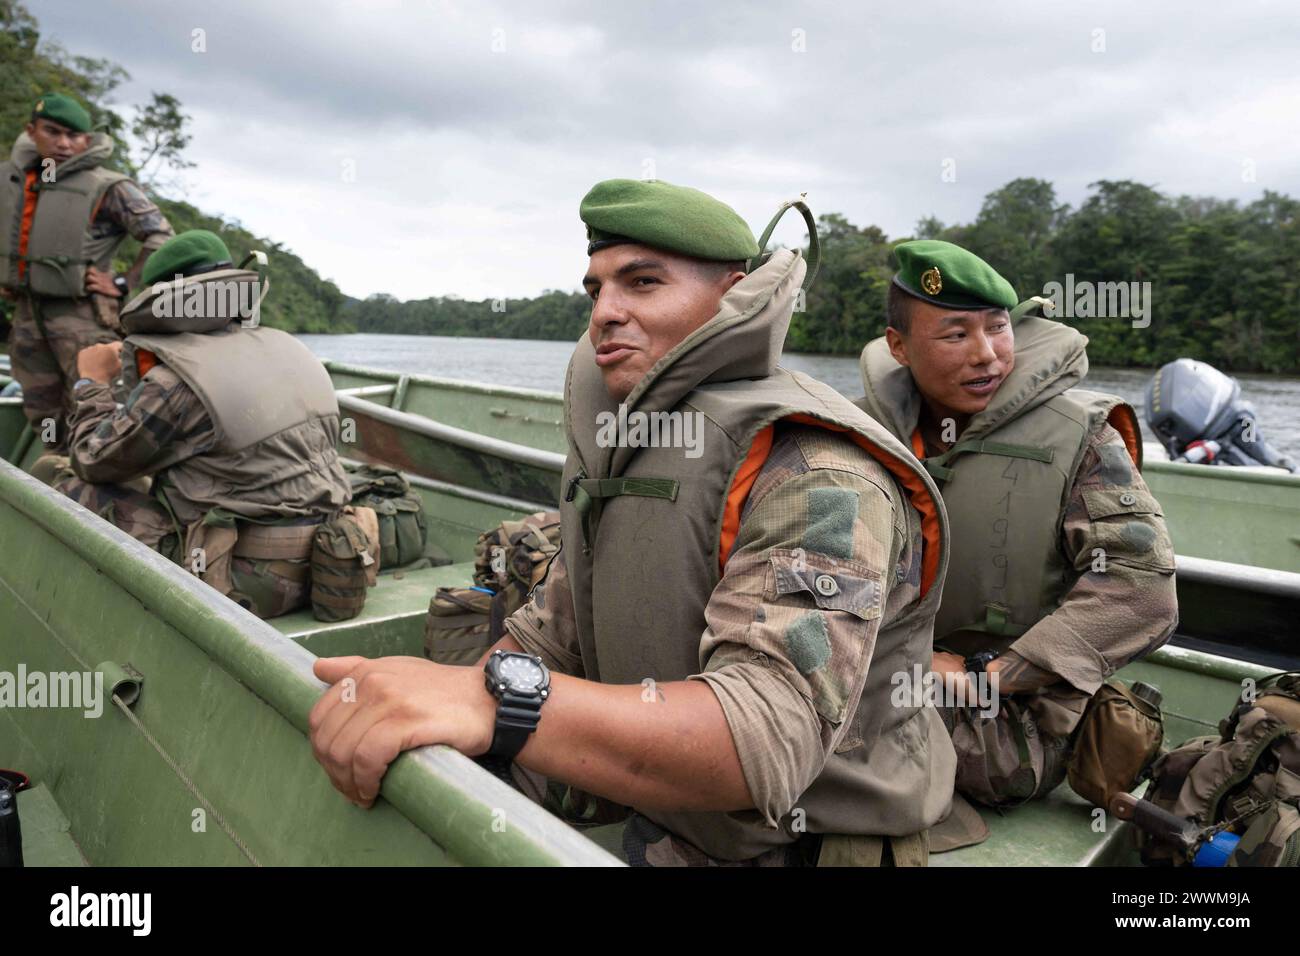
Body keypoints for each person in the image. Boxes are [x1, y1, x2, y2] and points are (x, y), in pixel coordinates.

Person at [309, 179, 957, 866]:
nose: (605, 314)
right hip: (669, 814)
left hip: (800, 843)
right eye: (596, 291)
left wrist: (498, 703)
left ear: (734, 296)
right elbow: (552, 632)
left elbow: (763, 741)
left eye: (642, 283)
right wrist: (448, 700)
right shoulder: (637, 442)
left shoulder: (819, 471)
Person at [855, 239, 1179, 809]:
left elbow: (1142, 591)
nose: (986, 355)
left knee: (802, 721)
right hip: (878, 669)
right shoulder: (853, 429)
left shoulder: (1079, 437)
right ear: (899, 347)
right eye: (956, 335)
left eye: (998, 328)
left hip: (1010, 724)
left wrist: (991, 674)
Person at [55, 229, 351, 619]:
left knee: (69, 488)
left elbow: (93, 459)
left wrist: (91, 382)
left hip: (248, 581)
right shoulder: (290, 348)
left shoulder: (175, 382)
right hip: (333, 565)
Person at [0, 92, 173, 453]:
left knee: (99, 404)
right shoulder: (12, 179)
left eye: (74, 135)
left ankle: (99, 490)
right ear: (31, 131)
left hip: (83, 319)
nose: (63, 144)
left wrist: (124, 282)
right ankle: (55, 471)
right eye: (52, 132)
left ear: (88, 139)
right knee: (43, 413)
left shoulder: (108, 186)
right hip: (29, 318)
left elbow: (161, 236)